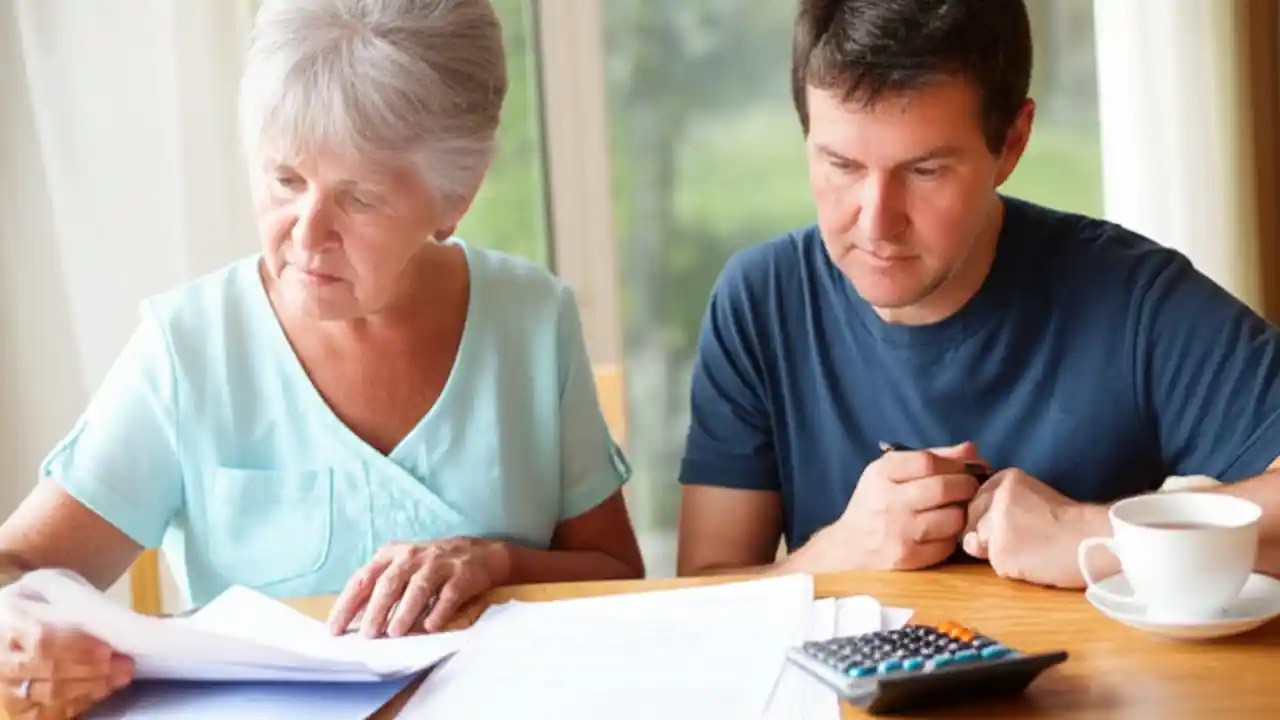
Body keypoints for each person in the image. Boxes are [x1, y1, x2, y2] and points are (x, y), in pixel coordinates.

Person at [0, 0, 643, 716]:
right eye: (284, 181)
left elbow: (617, 575)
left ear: (454, 197)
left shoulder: (532, 319)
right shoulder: (188, 348)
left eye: (359, 197)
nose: (307, 235)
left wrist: (496, 560)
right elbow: (18, 565)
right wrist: (14, 635)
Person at [676, 0, 1280, 588]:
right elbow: (703, 597)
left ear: (1011, 144)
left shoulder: (1132, 299)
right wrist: (837, 553)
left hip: (1096, 692)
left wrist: (1096, 537)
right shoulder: (759, 302)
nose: (876, 223)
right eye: (842, 165)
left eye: (926, 171)